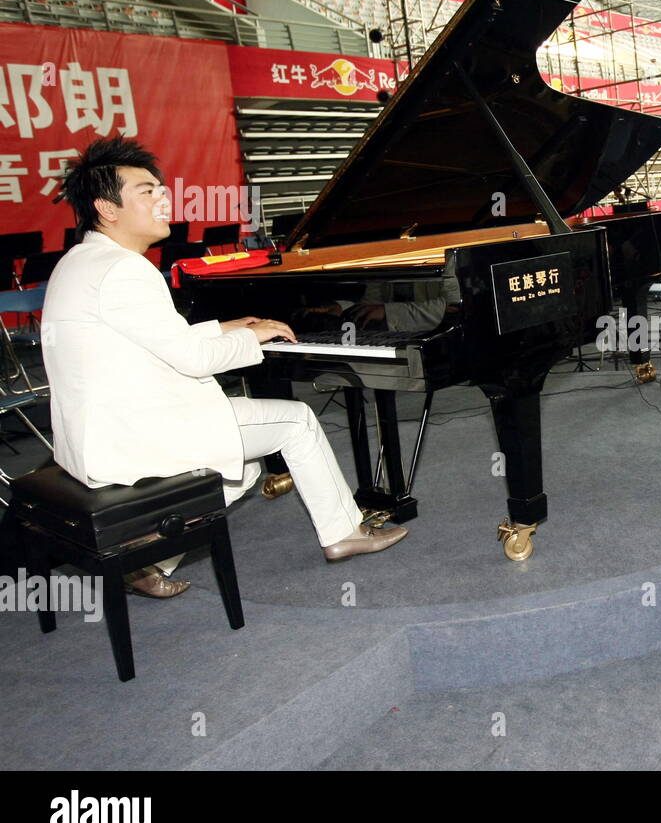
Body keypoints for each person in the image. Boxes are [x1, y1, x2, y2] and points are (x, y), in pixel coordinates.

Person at [44, 137, 407, 598]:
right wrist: (251, 337)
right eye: (146, 191)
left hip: (99, 433)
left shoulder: (80, 262)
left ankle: (148, 558)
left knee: (245, 470)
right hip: (139, 433)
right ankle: (344, 534)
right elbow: (191, 360)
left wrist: (225, 326)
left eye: (161, 188)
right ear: (106, 208)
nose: (163, 199)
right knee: (296, 421)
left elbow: (151, 345)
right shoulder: (125, 270)